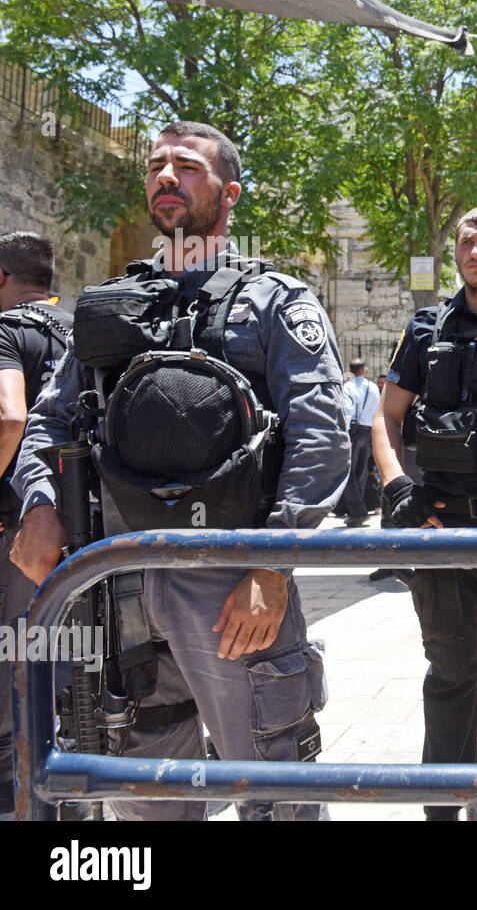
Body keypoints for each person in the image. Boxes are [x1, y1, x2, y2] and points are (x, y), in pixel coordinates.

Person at [9, 121, 349, 820]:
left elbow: (321, 437)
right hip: (118, 579)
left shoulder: (276, 302)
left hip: (230, 578)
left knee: (273, 786)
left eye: (188, 167)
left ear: (227, 193)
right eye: (157, 165)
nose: (167, 175)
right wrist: (40, 505)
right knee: (146, 798)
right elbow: (48, 418)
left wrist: (272, 564)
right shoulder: (107, 307)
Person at [372, 206, 477, 820]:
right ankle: (447, 804)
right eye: (466, 243)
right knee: (449, 674)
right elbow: (385, 420)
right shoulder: (425, 328)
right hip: (440, 526)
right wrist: (396, 490)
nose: (475, 252)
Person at [0, 232, 72, 819]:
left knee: (13, 660)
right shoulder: (78, 330)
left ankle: (17, 788)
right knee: (63, 657)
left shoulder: (4, 331)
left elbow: (9, 415)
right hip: (77, 523)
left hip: (17, 527)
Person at [340, 357, 380, 527]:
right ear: (364, 370)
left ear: (350, 371)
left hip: (354, 432)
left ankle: (358, 512)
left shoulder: (348, 387)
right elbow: (377, 409)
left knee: (348, 472)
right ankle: (358, 510)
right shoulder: (373, 387)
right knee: (361, 471)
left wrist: (346, 433)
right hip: (369, 430)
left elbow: (347, 411)